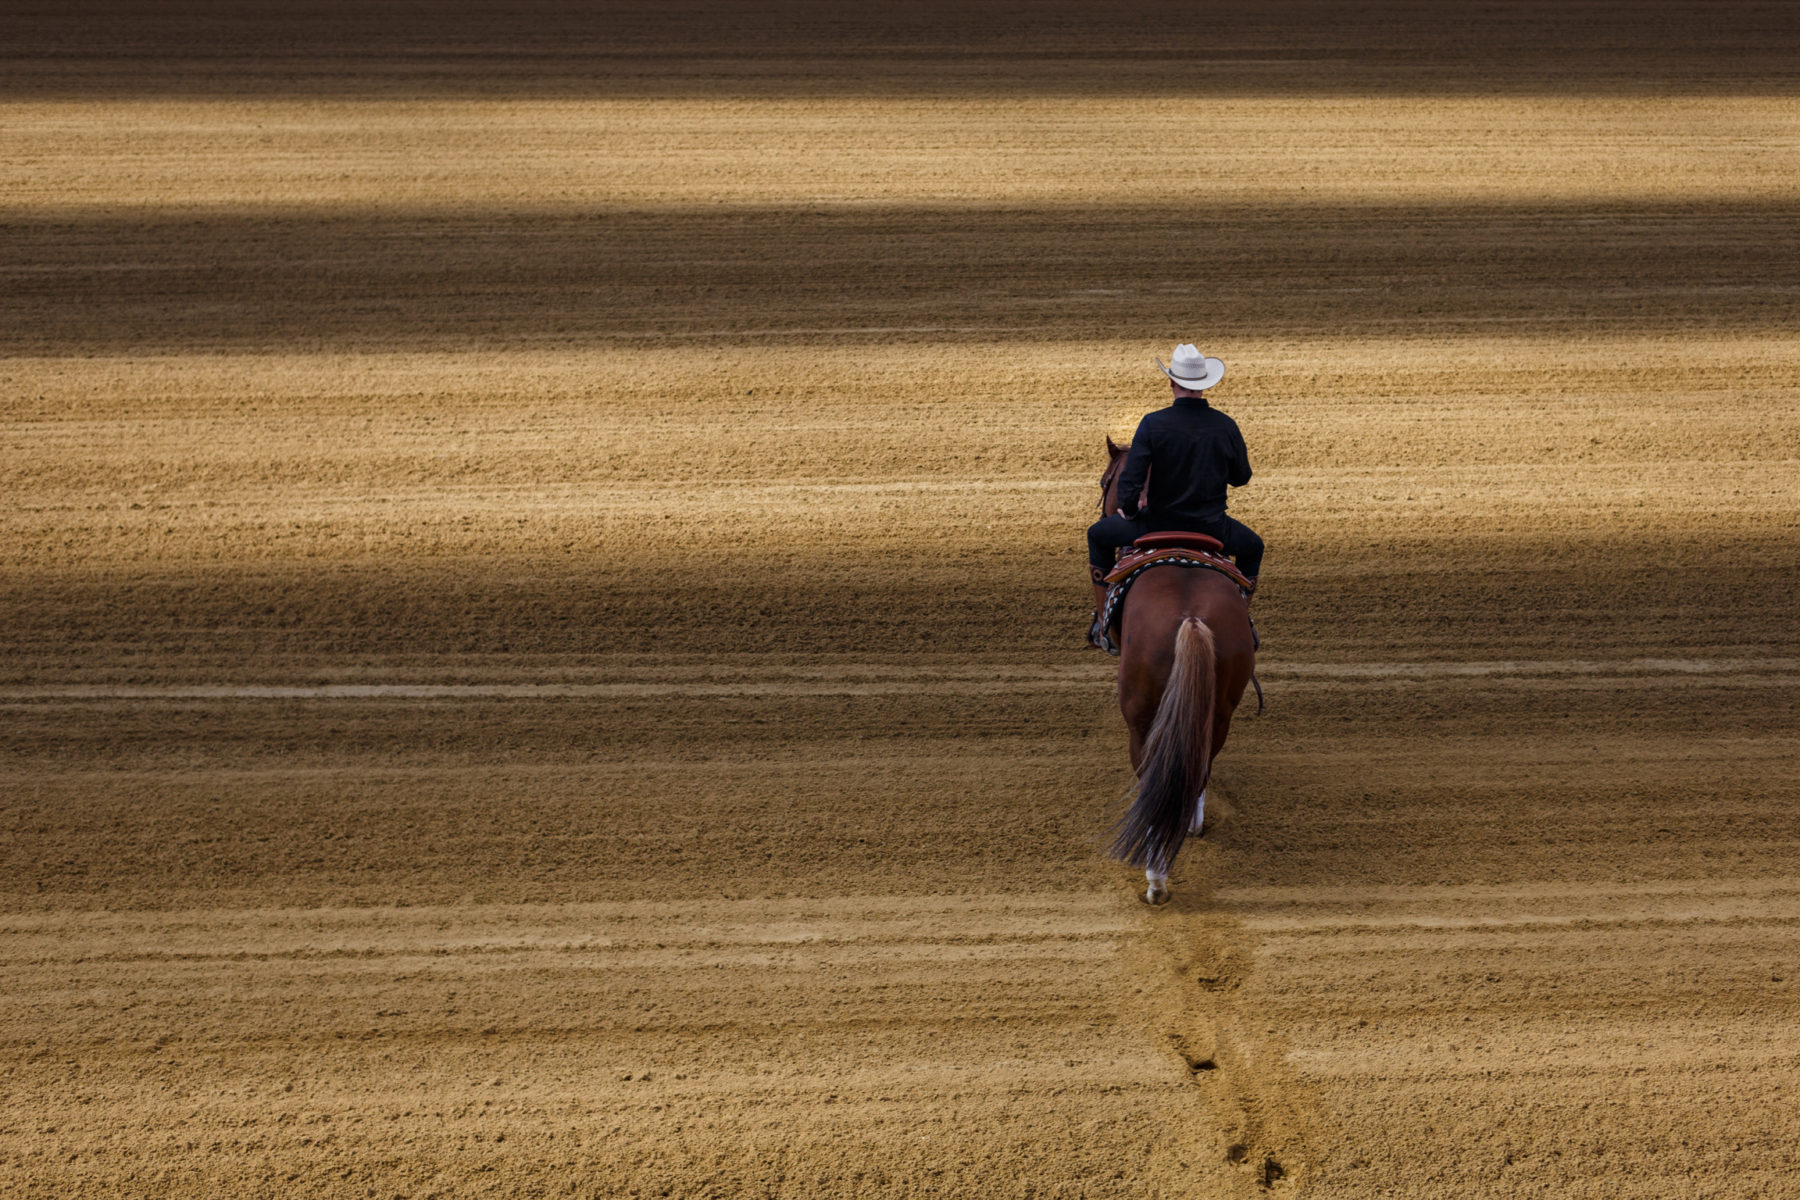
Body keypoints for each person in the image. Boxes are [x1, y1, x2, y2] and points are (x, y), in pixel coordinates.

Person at [1086, 343, 1263, 649]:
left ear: (1171, 382)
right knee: (1254, 547)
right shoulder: (1226, 426)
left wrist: (1129, 509)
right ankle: (1240, 615)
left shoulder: (1152, 423)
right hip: (1213, 529)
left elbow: (1131, 481)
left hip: (1155, 525)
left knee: (1097, 535)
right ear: (1205, 384)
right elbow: (1241, 478)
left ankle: (1103, 621)